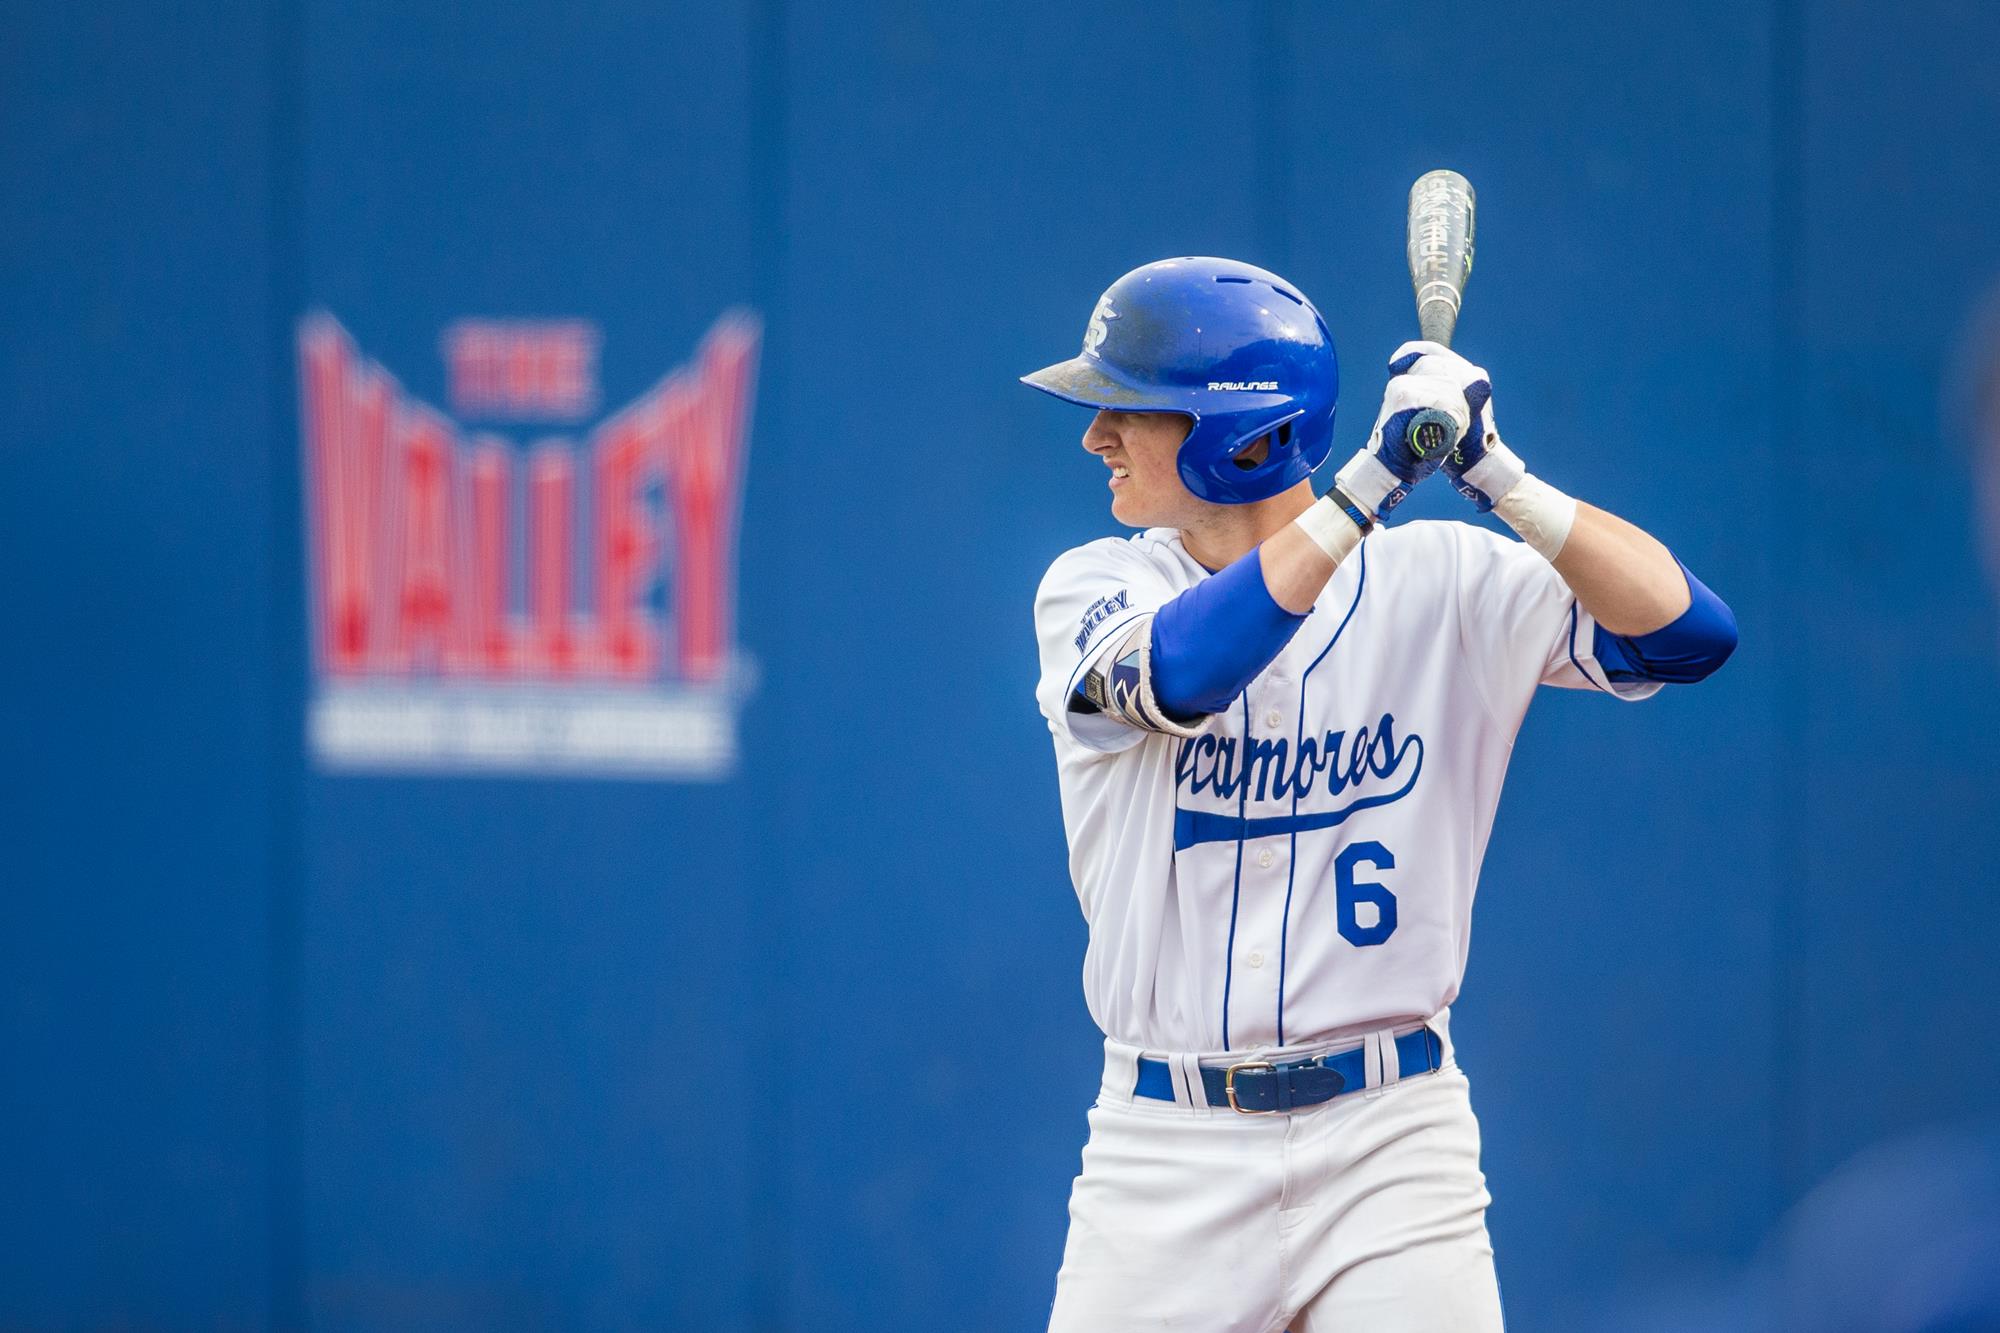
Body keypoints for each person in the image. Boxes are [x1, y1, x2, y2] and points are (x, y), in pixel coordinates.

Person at [1024, 256, 1737, 1332]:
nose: (1097, 436)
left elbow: (1689, 636)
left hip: (1391, 1144)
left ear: (1240, 435)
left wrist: (1500, 476)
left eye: (1131, 407)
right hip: (1165, 1145)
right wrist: (1367, 487)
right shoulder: (1098, 586)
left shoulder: (1444, 581)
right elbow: (1183, 670)